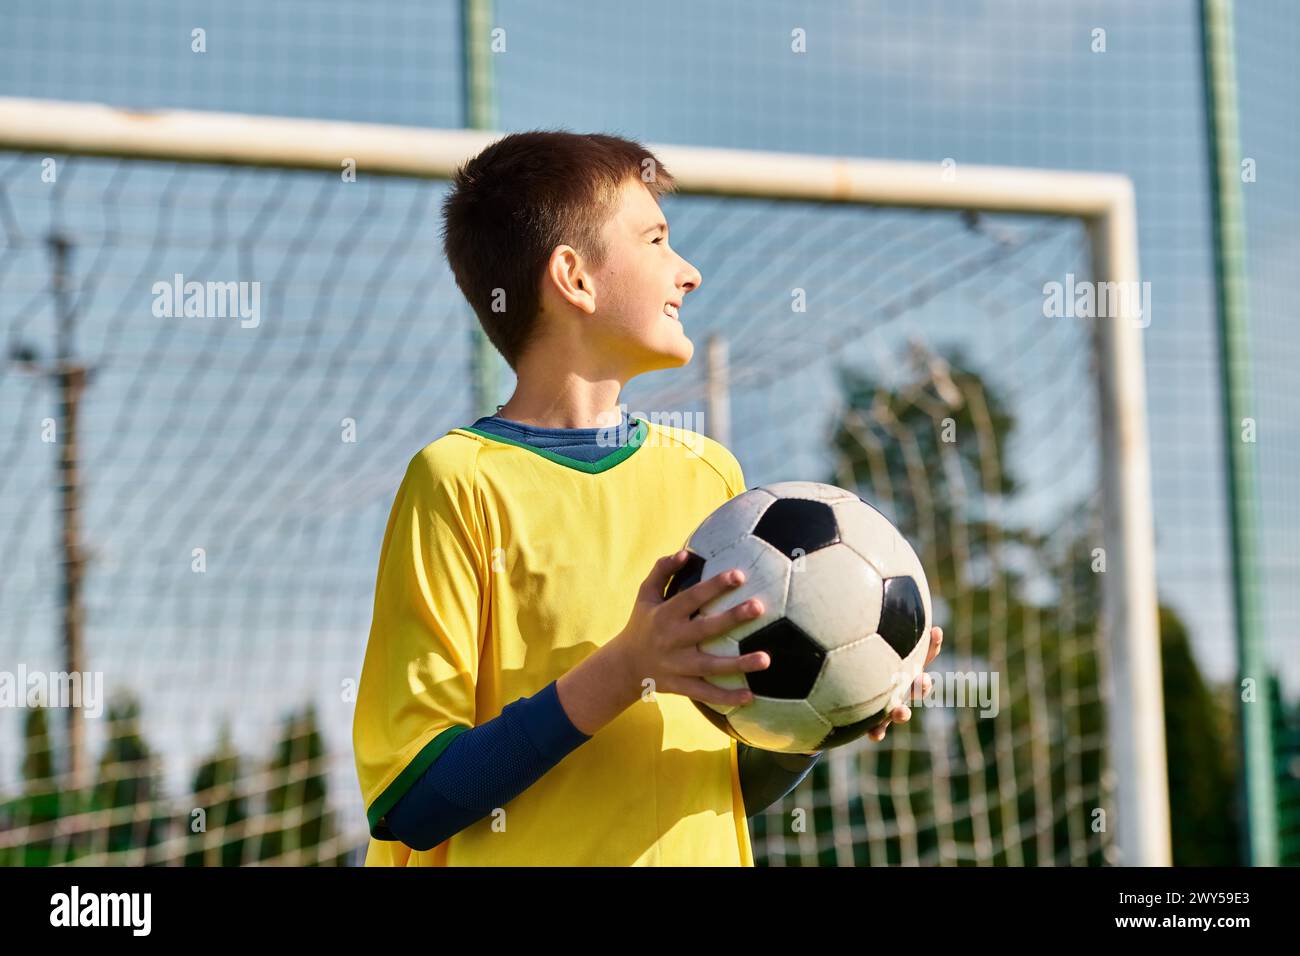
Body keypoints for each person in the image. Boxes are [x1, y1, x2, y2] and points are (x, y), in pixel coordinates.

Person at [351, 130, 943, 866]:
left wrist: (821, 719)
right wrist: (627, 668)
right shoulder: (459, 482)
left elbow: (718, 781)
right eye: (655, 239)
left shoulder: (711, 480)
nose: (688, 271)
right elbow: (411, 799)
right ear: (574, 278)